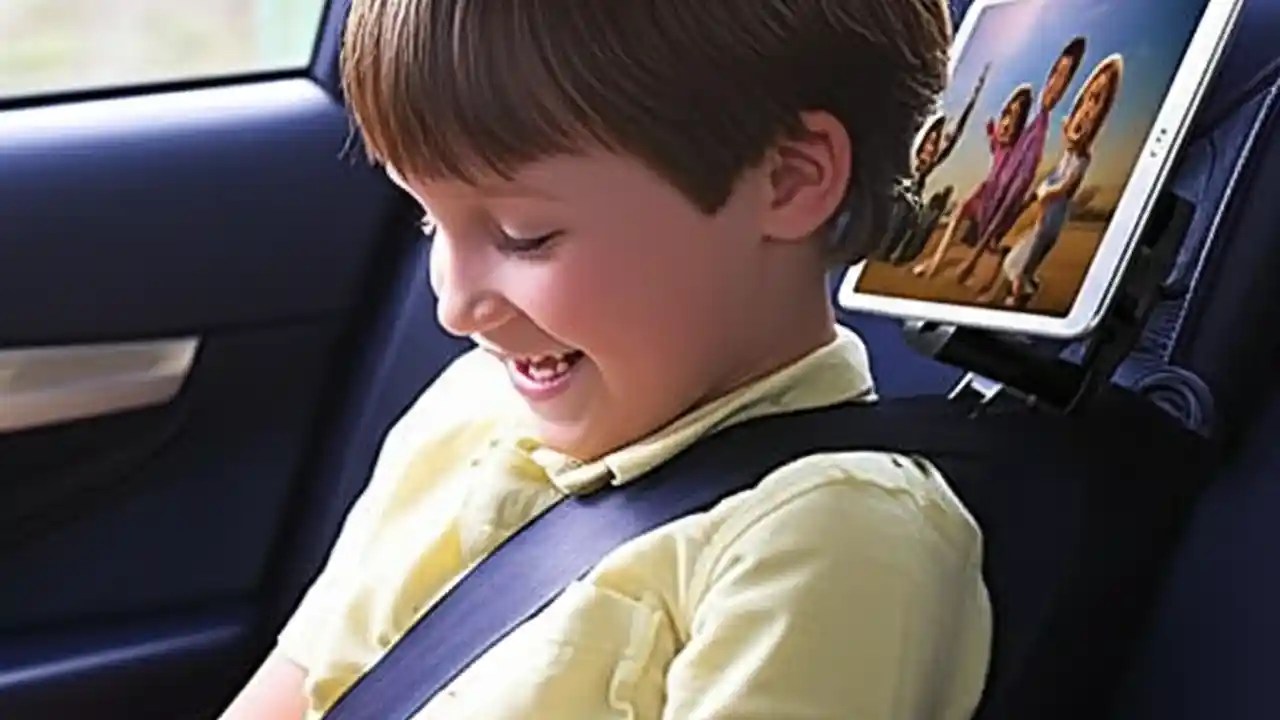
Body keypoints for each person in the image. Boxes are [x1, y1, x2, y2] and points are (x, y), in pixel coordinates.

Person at [221, 2, 991, 718]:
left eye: (526, 236)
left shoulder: (835, 544)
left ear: (789, 178)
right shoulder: (469, 410)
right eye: (428, 222)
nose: (453, 309)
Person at [981, 54, 1124, 306]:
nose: (1087, 111)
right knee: (1022, 252)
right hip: (1044, 213)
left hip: (1051, 217)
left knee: (1029, 254)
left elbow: (1068, 186)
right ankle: (1022, 285)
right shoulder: (1068, 152)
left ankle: (1019, 292)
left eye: (1096, 103)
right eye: (1085, 101)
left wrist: (1048, 192)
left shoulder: (1082, 158)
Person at [951, 36, 1087, 284]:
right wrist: (992, 133)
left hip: (1004, 212)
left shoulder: (1037, 140)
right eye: (1054, 74)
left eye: (1063, 81)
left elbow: (1012, 196)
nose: (1054, 85)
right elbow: (1003, 155)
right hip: (991, 204)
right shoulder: (1029, 126)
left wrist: (972, 261)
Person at [911, 82, 1033, 278]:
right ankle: (936, 260)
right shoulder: (1001, 143)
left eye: (1014, 119)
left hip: (1001, 201)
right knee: (961, 208)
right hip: (988, 192)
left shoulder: (1018, 152)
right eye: (1006, 115)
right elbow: (996, 146)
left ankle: (995, 252)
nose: (1007, 123)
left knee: (990, 239)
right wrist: (990, 130)